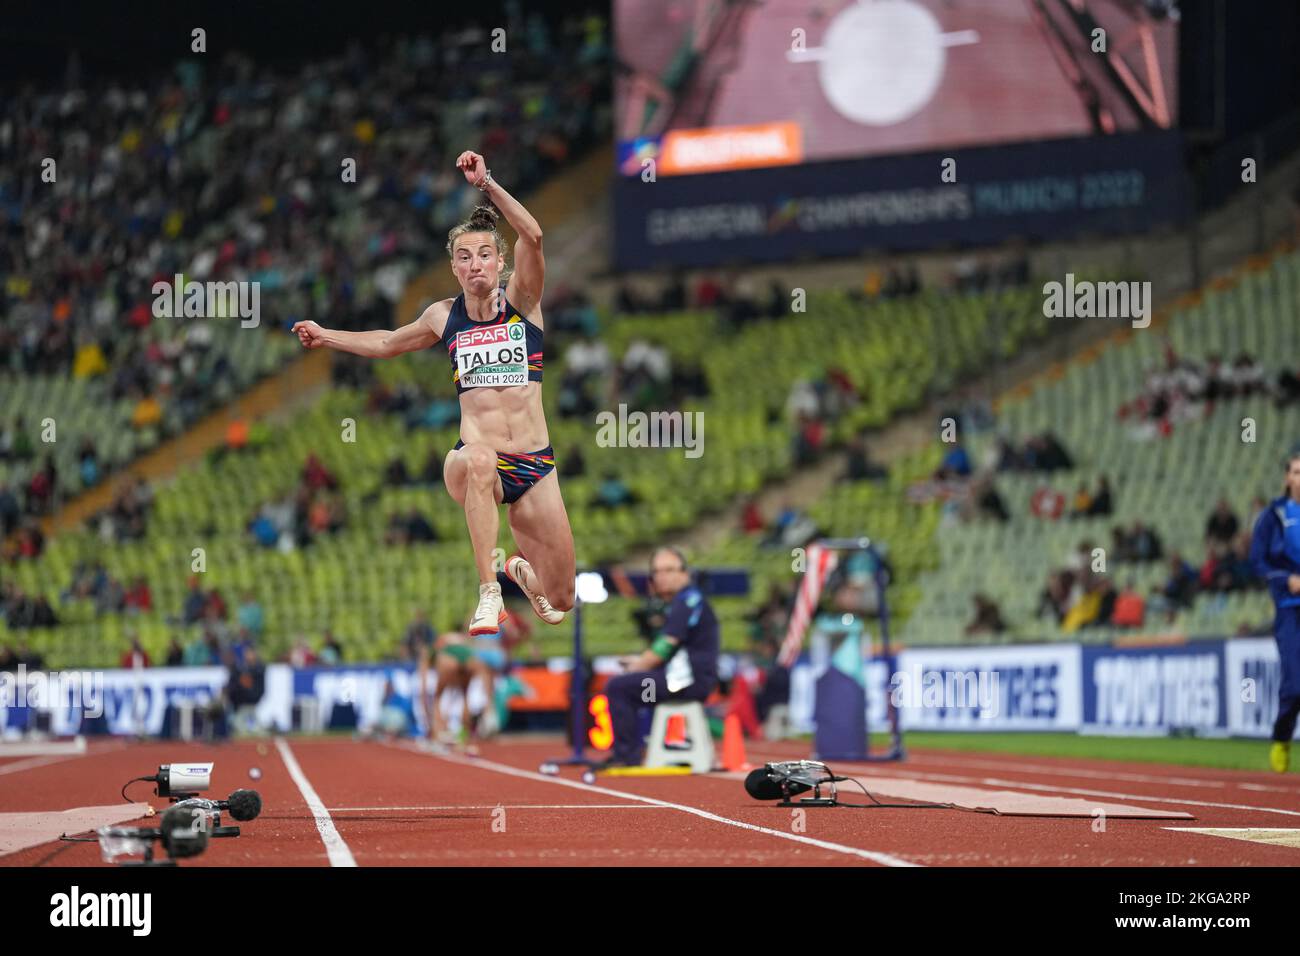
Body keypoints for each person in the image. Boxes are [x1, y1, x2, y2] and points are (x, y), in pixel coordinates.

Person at [293, 150, 574, 636]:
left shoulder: (523, 303)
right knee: (482, 459)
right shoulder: (443, 317)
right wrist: (327, 335)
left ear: (501, 261)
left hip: (534, 463)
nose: (475, 264)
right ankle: (490, 593)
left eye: (485, 254)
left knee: (563, 599)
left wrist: (488, 183)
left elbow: (535, 234)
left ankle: (517, 571)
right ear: (453, 267)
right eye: (464, 257)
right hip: (472, 461)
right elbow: (385, 343)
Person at [599, 547, 720, 768]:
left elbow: (664, 647)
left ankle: (626, 756)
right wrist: (640, 663)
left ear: (685, 573)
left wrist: (637, 665)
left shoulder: (687, 600)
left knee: (619, 687)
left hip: (688, 683)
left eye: (668, 570)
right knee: (637, 686)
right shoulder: (684, 601)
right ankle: (649, 748)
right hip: (686, 679)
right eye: (657, 572)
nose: (661, 577)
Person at [1249, 453, 1300, 772]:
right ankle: (1281, 737)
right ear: (1287, 478)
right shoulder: (1275, 516)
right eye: (1297, 471)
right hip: (1290, 609)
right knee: (1295, 686)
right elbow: (1257, 562)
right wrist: (1288, 579)